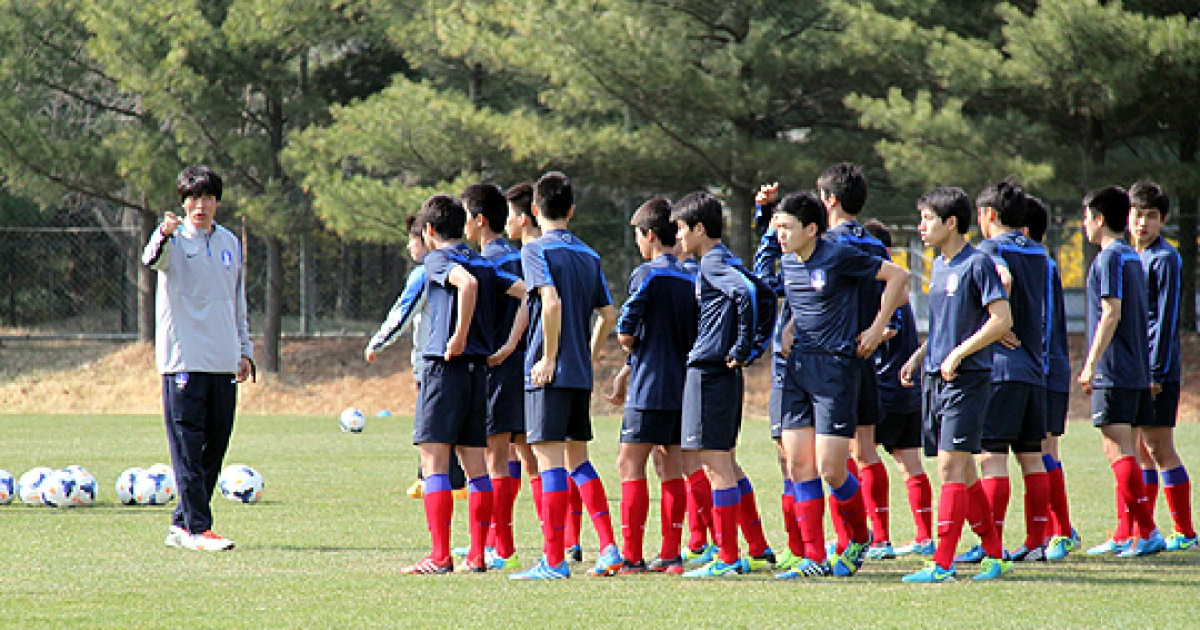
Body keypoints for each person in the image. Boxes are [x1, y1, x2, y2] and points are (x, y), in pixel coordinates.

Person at [770, 192, 910, 579]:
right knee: (800, 466)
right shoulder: (787, 262)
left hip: (835, 372)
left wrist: (878, 327)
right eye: (777, 227)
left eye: (787, 227)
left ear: (811, 229)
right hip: (798, 370)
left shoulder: (838, 255)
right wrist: (789, 327)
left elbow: (900, 277)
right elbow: (805, 304)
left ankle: (859, 537)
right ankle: (813, 557)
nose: (780, 234)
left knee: (832, 469)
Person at [399, 194, 525, 575]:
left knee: (434, 461)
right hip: (479, 373)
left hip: (446, 368)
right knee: (476, 468)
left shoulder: (441, 259)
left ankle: (439, 557)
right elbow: (525, 293)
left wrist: (458, 336)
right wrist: (505, 347)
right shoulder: (482, 259)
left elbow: (465, 285)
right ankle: (477, 555)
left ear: (431, 232)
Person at [509, 171, 620, 580]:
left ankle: (554, 560)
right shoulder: (590, 256)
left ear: (535, 211)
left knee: (549, 459)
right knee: (579, 461)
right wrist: (585, 356)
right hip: (577, 373)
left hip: (548, 372)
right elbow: (608, 316)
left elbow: (550, 303)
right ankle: (608, 547)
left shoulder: (535, 250)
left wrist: (550, 357)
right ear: (571, 210)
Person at [899, 186, 1014, 583]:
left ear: (951, 223)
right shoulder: (941, 265)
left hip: (968, 379)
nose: (921, 226)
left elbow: (1001, 320)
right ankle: (995, 554)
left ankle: (942, 564)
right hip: (937, 377)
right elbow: (950, 326)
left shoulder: (978, 264)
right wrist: (920, 357)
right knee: (963, 472)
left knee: (950, 467)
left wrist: (958, 355)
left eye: (928, 218)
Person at [142, 165, 254, 552]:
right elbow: (150, 259)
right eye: (192, 199)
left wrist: (245, 350)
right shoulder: (172, 241)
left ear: (217, 202)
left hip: (223, 361)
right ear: (183, 203)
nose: (199, 206)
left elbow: (237, 301)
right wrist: (163, 232)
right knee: (187, 449)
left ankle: (182, 522)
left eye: (206, 198)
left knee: (215, 446)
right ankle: (198, 529)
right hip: (183, 361)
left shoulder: (229, 243)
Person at [672, 191, 775, 579]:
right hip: (721, 371)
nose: (679, 237)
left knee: (715, 465)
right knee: (726, 463)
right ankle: (756, 546)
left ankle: (728, 557)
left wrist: (742, 345)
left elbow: (748, 293)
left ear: (700, 229)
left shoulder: (712, 262)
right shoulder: (726, 258)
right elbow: (764, 293)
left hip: (711, 371)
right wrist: (751, 347)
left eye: (682, 229)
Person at [961, 181, 1051, 563]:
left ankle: (990, 544)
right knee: (1032, 457)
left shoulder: (989, 248)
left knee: (991, 457)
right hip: (1034, 368)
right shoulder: (1038, 251)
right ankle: (1036, 542)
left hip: (1001, 367)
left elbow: (1004, 279)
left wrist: (1000, 323)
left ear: (988, 216)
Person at [607, 197, 698, 574]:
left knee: (630, 464)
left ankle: (631, 555)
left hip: (650, 386)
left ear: (649, 236)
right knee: (671, 466)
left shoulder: (648, 274)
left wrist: (626, 338)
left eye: (638, 237)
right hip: (682, 386)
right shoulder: (691, 275)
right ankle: (672, 554)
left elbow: (628, 326)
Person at [1077, 185, 1165, 559]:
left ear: (1098, 219)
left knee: (1119, 452)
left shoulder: (1109, 258)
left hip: (1116, 370)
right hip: (1135, 369)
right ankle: (1124, 531)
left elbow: (1111, 311)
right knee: (1126, 450)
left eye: (1085, 218)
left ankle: (1146, 531)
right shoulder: (1131, 256)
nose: (1083, 225)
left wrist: (1091, 363)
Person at [816, 163, 893, 558]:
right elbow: (893, 294)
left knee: (836, 455)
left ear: (829, 200)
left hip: (835, 358)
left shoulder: (827, 243)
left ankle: (850, 536)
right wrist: (880, 328)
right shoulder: (876, 244)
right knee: (865, 450)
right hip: (868, 357)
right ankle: (880, 535)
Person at [365, 216, 467, 501]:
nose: (409, 247)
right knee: (457, 422)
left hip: (433, 361)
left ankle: (436, 480)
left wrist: (377, 343)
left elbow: (402, 312)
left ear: (426, 237)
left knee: (431, 424)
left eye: (411, 240)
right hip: (468, 360)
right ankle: (449, 479)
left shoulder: (425, 272)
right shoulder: (468, 263)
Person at [461, 183, 530, 570]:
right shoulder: (516, 255)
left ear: (480, 220)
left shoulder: (492, 261)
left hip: (500, 366)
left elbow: (526, 303)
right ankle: (496, 541)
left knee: (494, 457)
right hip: (520, 365)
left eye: (468, 218)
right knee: (517, 455)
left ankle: (500, 547)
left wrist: (503, 348)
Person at [1128, 180, 1195, 552]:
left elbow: (1165, 319)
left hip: (1157, 370)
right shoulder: (1130, 256)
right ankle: (1145, 528)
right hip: (1136, 368)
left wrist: (1155, 371)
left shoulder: (1165, 258)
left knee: (1159, 446)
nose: (1143, 223)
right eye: (1138, 215)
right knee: (1141, 449)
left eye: (1151, 217)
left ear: (1163, 219)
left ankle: (1184, 531)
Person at [862, 219, 935, 558]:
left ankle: (878, 538)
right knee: (909, 462)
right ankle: (923, 536)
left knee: (860, 456)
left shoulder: (884, 287)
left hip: (883, 386)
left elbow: (887, 329)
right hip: (907, 388)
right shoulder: (898, 288)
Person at [1021, 197, 1079, 560]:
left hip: (1044, 369)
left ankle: (1057, 532)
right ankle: (1057, 531)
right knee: (1042, 452)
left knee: (1043, 451)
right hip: (1043, 368)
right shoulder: (1040, 262)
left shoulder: (1039, 264)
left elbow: (1043, 322)